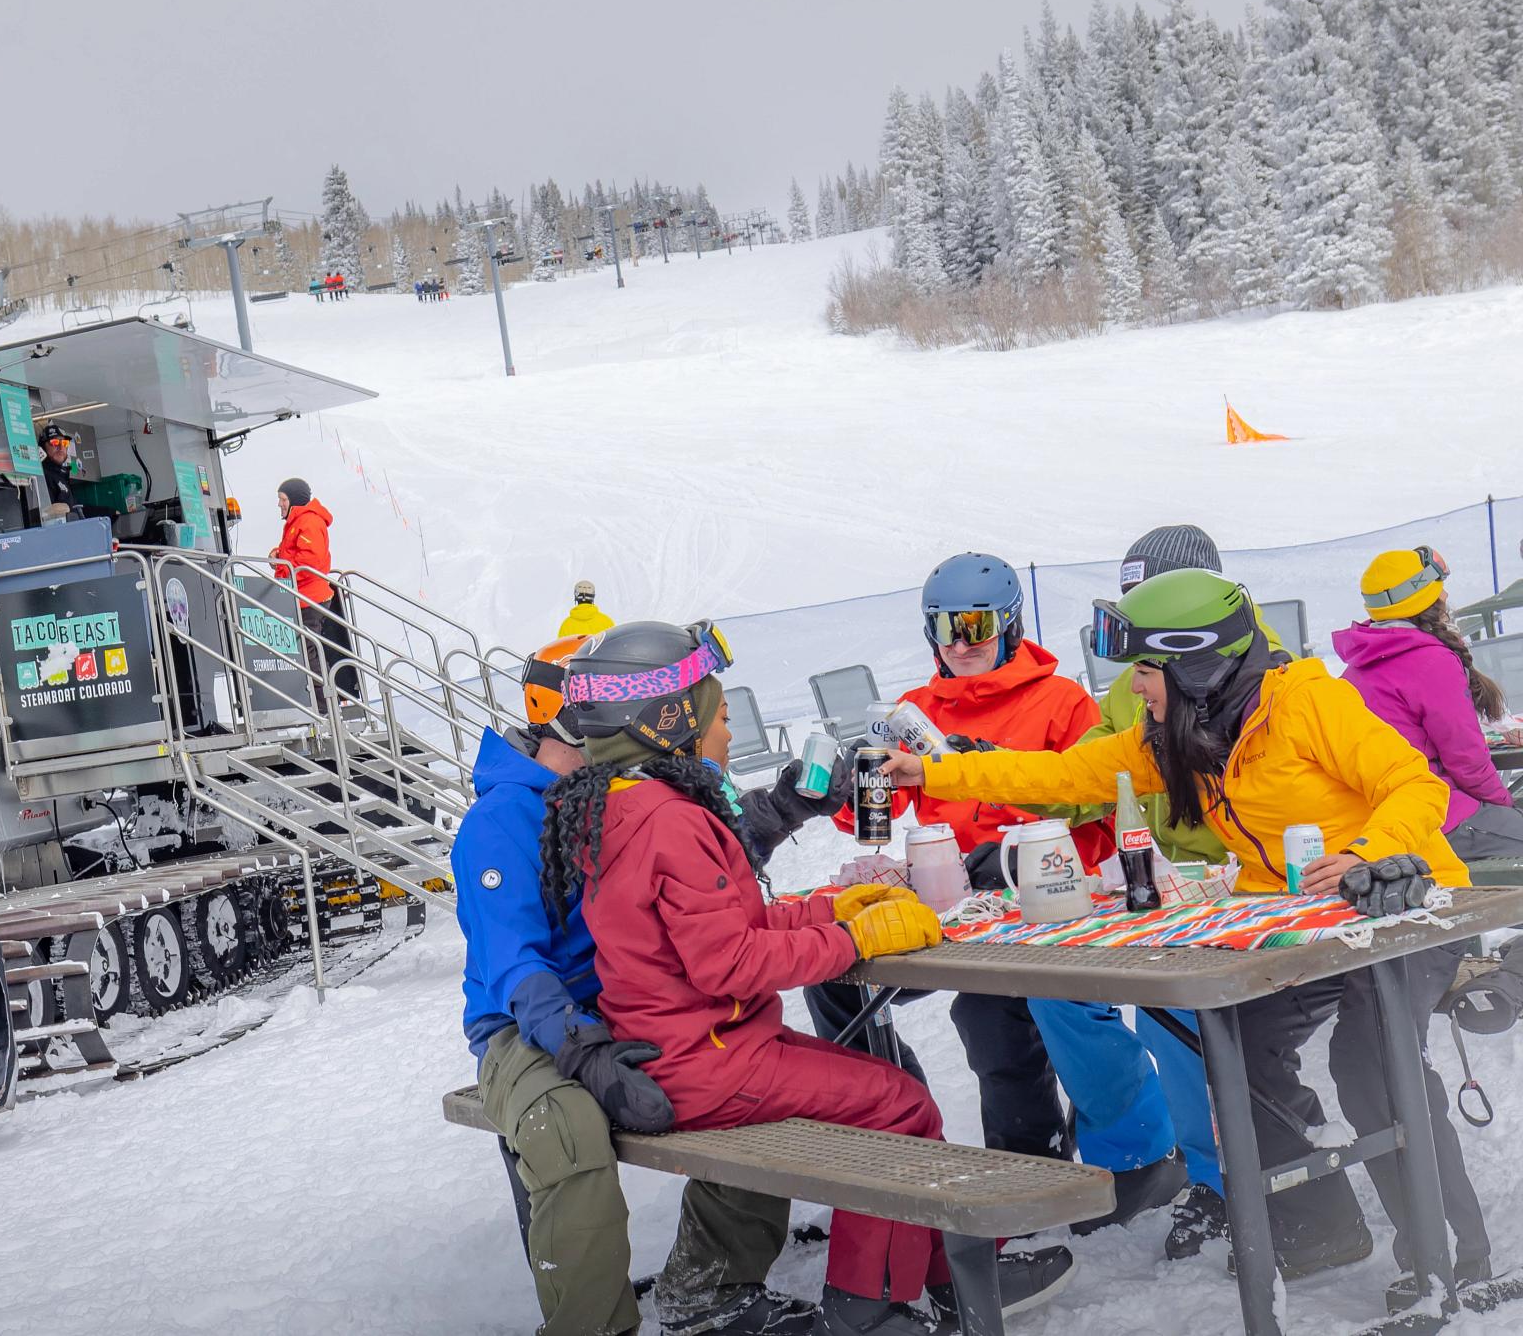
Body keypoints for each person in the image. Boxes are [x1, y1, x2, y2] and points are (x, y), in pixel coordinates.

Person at [881, 568, 1487, 1304]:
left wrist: (1371, 854)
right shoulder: (1179, 734)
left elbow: (1414, 783)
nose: (1134, 687)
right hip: (1305, 924)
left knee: (1369, 1063)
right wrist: (936, 769)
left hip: (1403, 906)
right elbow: (1069, 773)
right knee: (1237, 1045)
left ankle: (1451, 1258)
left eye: (1144, 669)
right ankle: (1318, 1224)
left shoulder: (1307, 700)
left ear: (1195, 663)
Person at [548, 621, 1072, 1336]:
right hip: (708, 1060)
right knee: (893, 1104)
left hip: (690, 1047)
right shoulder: (669, 821)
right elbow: (727, 962)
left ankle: (952, 1274)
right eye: (720, 717)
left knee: (900, 1094)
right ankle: (868, 1305)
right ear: (667, 722)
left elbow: (727, 924)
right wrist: (854, 937)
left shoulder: (625, 806)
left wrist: (835, 908)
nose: (730, 737)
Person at [810, 553, 1190, 1243]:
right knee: (836, 981)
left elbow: (1103, 816)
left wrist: (1018, 857)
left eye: (976, 624)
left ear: (1009, 624)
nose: (960, 642)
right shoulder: (917, 713)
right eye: (945, 628)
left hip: (1046, 902)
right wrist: (853, 786)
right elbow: (870, 810)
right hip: (951, 900)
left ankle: (1055, 1164)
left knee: (991, 1013)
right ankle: (896, 1141)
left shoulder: (1060, 703)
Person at [457, 635, 815, 1336]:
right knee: (566, 1130)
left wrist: (782, 807)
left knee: (752, 1082)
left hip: (631, 1004)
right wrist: (578, 1045)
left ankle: (712, 1286)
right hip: (529, 1028)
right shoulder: (500, 821)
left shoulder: (613, 794)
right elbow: (512, 962)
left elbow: (697, 875)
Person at [1021, 526, 1260, 1259]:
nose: (1136, 633)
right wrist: (1020, 806)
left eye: (1150, 603)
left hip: (1242, 885)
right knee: (1054, 987)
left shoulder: (1262, 676)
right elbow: (1092, 776)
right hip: (1161, 883)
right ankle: (1136, 1149)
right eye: (1129, 605)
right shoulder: (1134, 686)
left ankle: (1222, 1178)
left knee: (1169, 1008)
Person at [1338, 546, 1523, 861]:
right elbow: (1466, 761)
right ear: (1429, 602)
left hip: (1383, 820)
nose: (1446, 596)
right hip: (1438, 816)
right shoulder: (1430, 662)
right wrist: (1503, 805)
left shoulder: (1358, 665)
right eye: (1439, 590)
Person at [272, 478, 361, 704]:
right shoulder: (297, 521)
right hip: (303, 596)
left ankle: (324, 703)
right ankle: (326, 699)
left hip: (310, 598)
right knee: (309, 648)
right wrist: (278, 554)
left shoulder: (308, 521)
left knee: (308, 649)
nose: (279, 504)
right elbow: (294, 552)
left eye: (283, 499)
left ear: (294, 500)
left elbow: (309, 561)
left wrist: (281, 563)